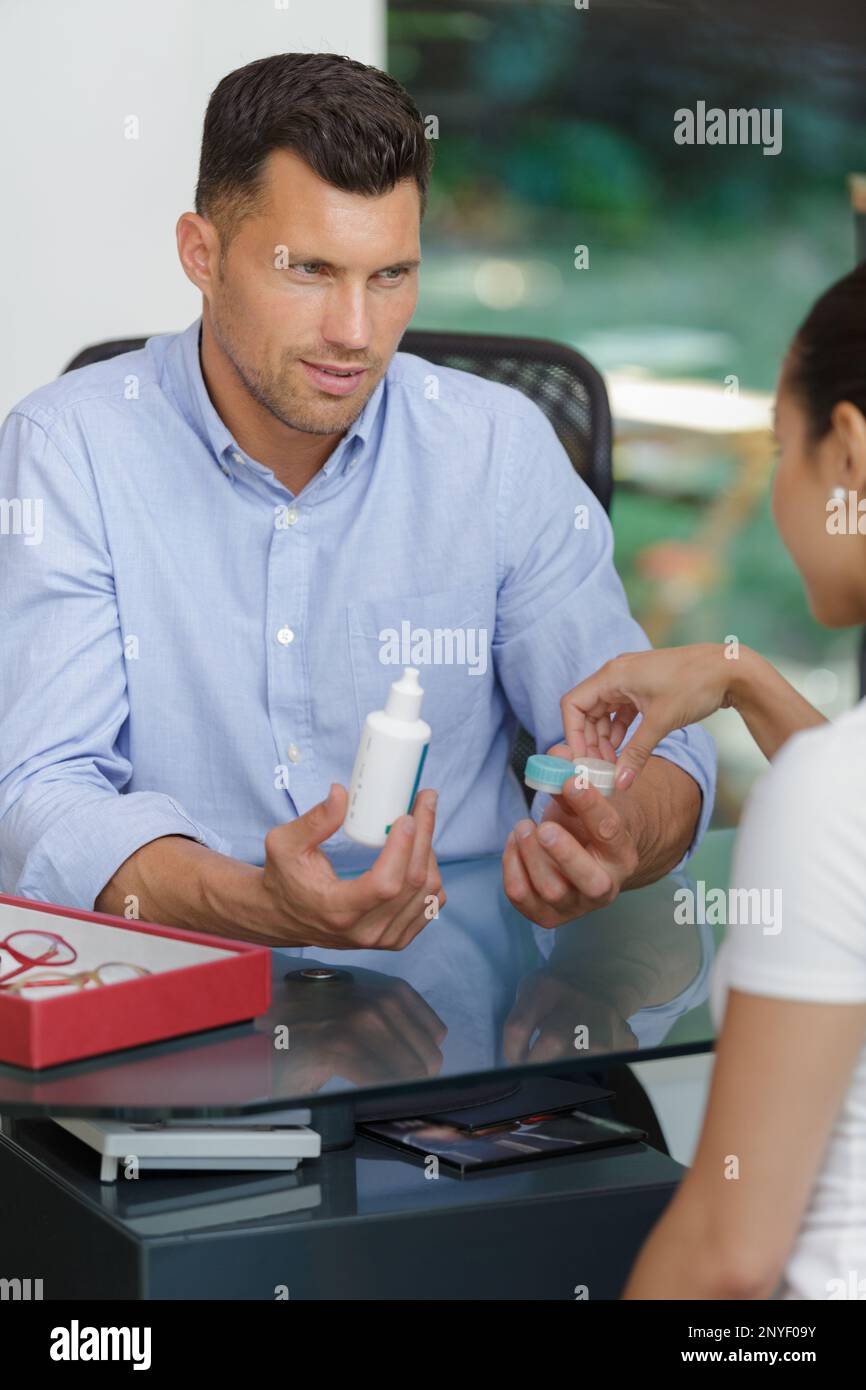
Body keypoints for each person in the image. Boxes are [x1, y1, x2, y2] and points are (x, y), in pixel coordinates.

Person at [0, 52, 714, 954]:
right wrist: (257, 903)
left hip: (465, 1037)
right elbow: (39, 793)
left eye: (390, 276)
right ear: (202, 253)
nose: (355, 333)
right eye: (310, 271)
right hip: (179, 1025)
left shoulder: (495, 448)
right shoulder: (71, 451)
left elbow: (659, 753)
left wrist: (619, 834)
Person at [548, 264, 866, 1300]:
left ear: (849, 455)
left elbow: (726, 1259)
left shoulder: (826, 795)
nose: (777, 484)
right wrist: (737, 677)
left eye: (782, 449)